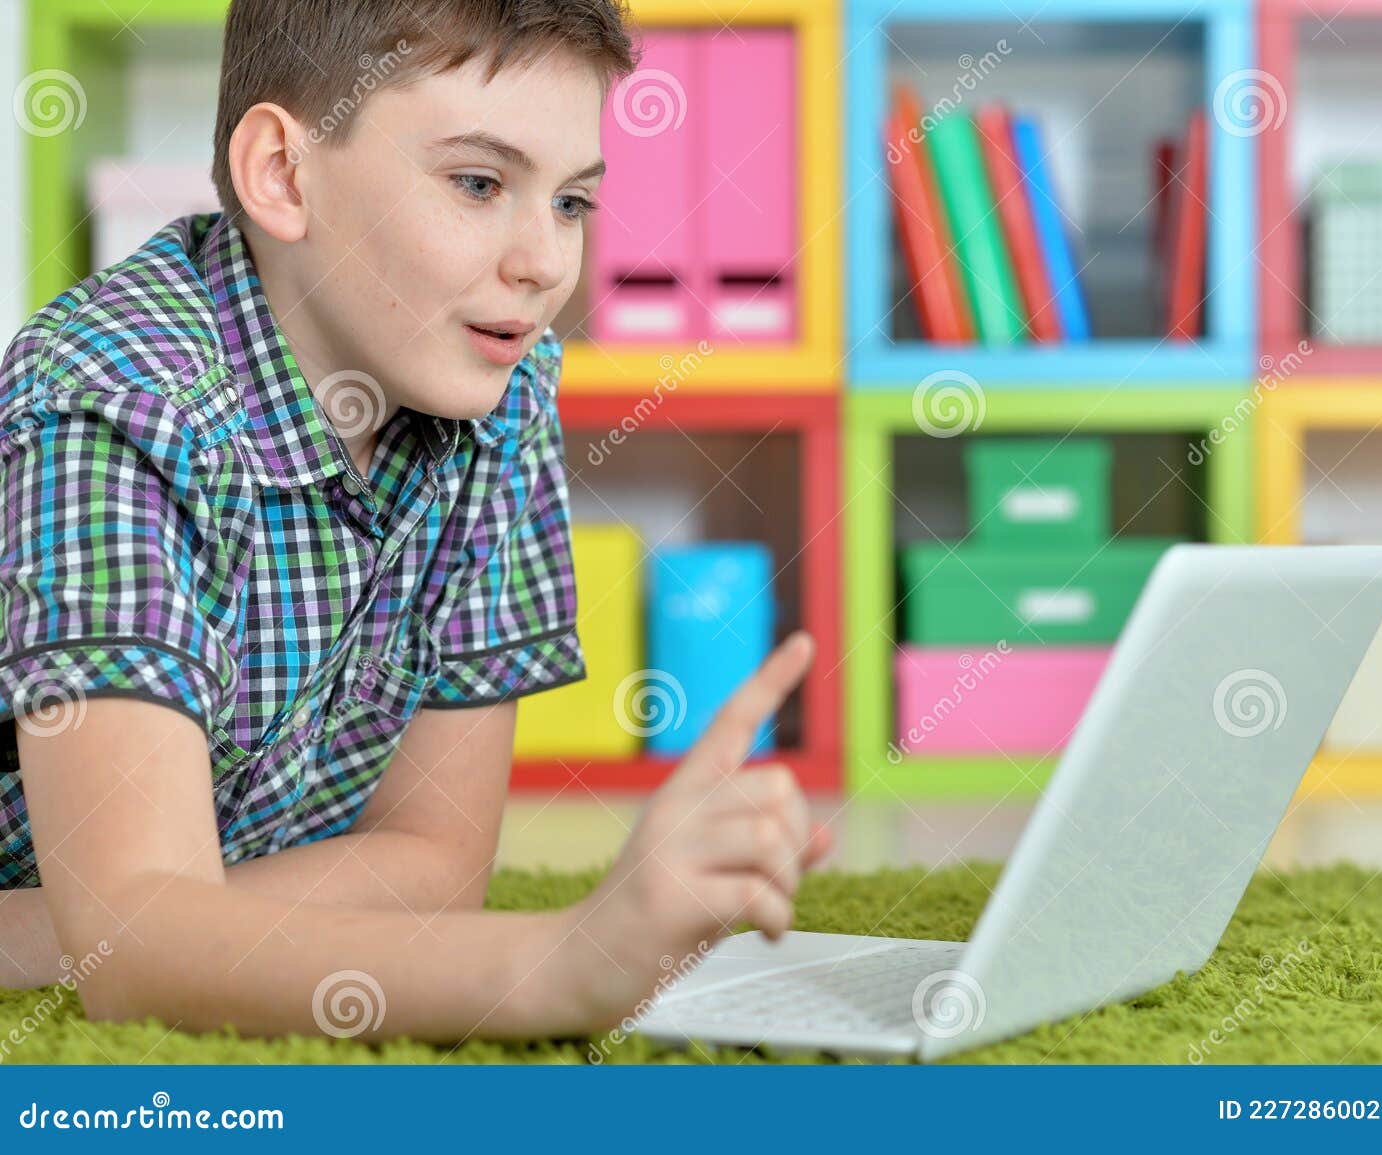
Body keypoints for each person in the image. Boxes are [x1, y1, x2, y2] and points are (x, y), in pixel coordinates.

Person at [0, 0, 831, 1041]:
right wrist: (560, 964)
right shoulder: (119, 398)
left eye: (572, 202)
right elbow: (135, 960)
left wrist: (101, 930)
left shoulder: (498, 379)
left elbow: (436, 864)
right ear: (282, 174)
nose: (544, 263)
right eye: (479, 183)